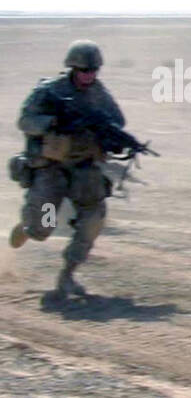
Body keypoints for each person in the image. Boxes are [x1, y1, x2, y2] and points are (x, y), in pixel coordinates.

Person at [10, 40, 124, 300]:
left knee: (93, 218)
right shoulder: (50, 91)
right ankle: (28, 229)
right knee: (45, 227)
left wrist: (106, 131)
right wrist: (54, 122)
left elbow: (117, 120)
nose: (90, 75)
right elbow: (25, 120)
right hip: (52, 170)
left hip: (83, 170)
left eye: (94, 70)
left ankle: (68, 275)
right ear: (73, 68)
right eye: (85, 70)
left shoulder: (98, 93)